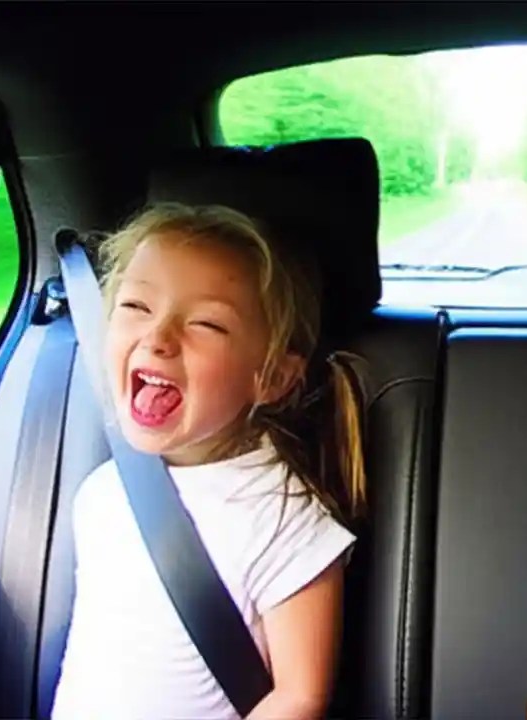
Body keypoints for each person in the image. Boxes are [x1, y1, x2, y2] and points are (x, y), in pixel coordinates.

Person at [51, 203, 365, 720]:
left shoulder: (282, 517)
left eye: (206, 324)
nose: (158, 338)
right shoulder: (103, 490)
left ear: (271, 378)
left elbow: (300, 696)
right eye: (136, 306)